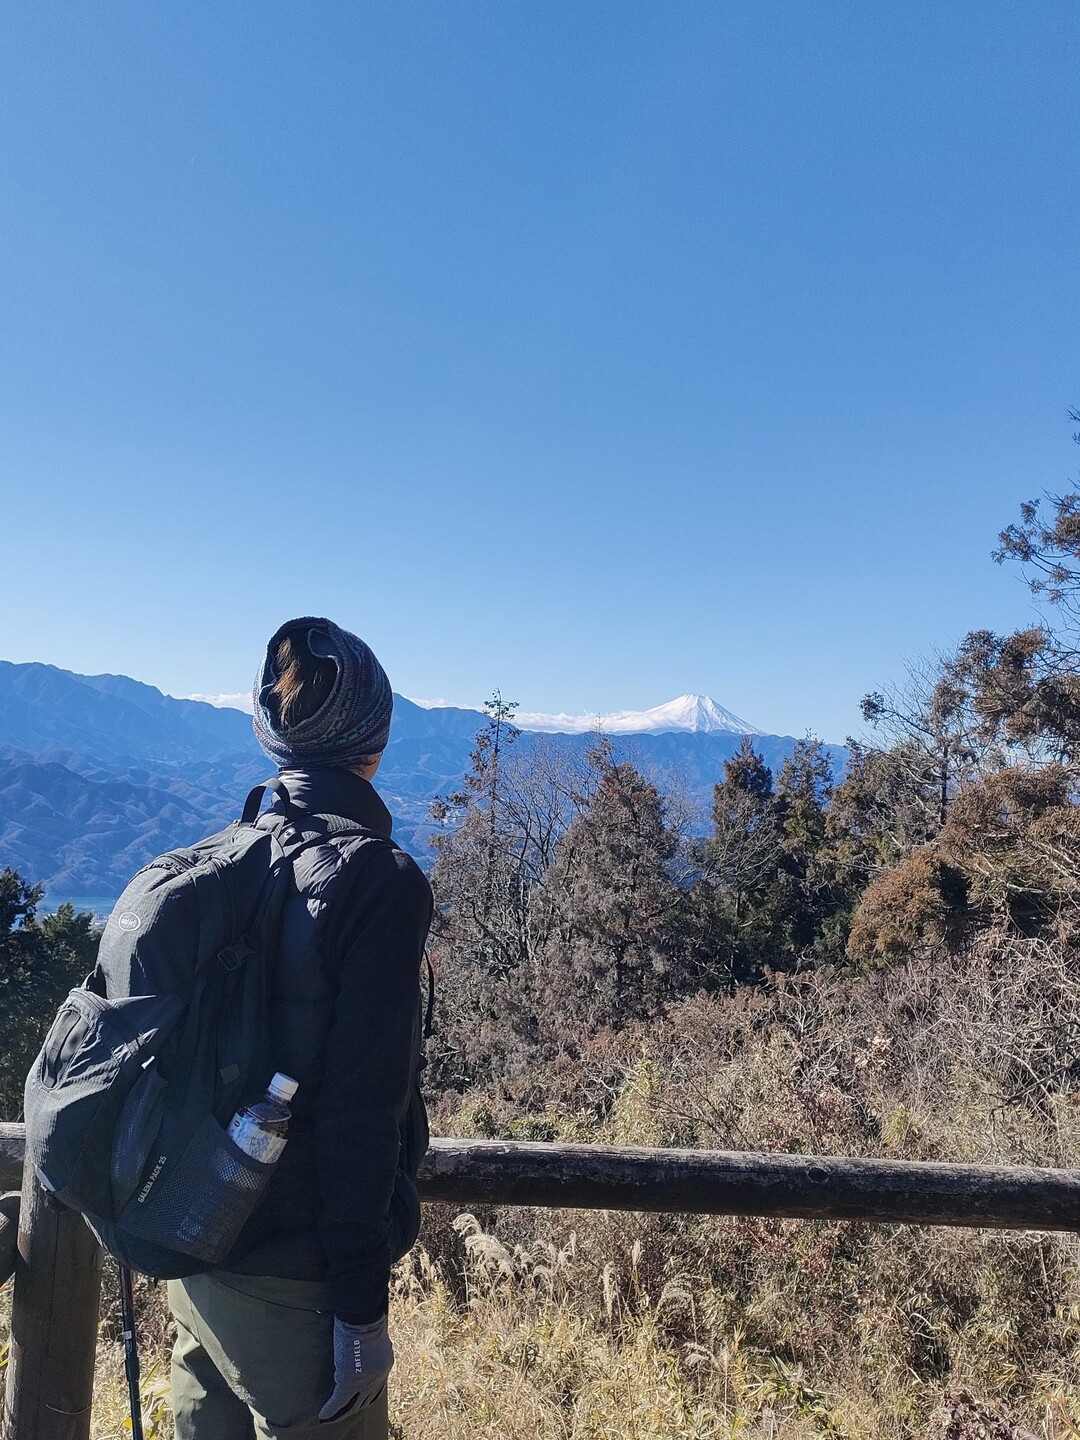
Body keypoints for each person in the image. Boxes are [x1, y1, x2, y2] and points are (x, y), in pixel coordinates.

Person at [167, 616, 433, 1440]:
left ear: (271, 734)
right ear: (374, 739)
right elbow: (362, 1113)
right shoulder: (378, 881)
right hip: (296, 1281)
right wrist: (359, 1308)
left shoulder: (227, 851)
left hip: (197, 1249)